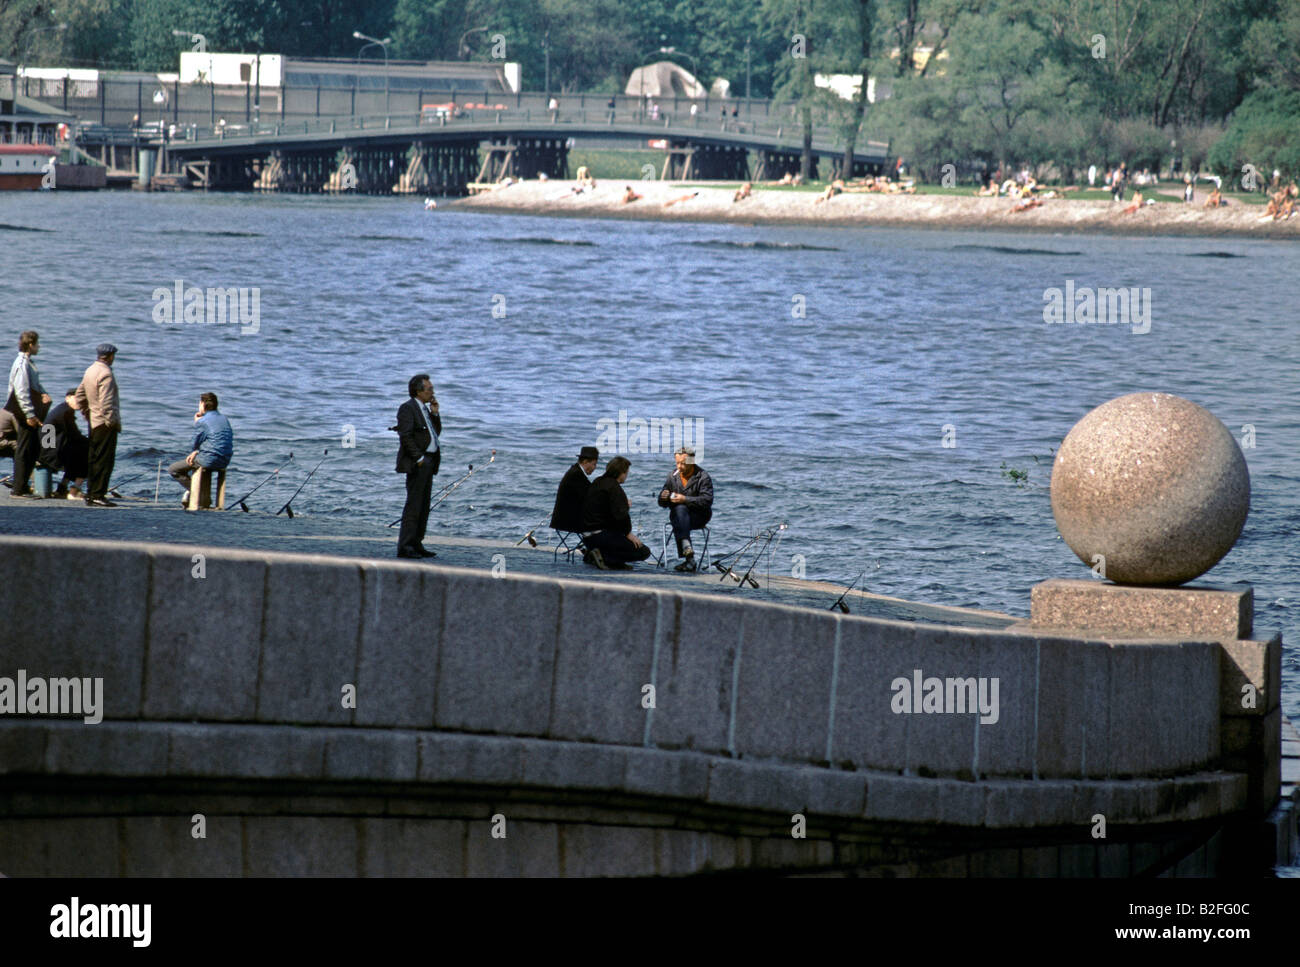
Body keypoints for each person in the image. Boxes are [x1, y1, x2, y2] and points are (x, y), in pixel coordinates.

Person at [394, 373, 441, 559]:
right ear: (418, 391)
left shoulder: (425, 409)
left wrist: (435, 414)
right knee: (414, 505)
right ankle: (405, 546)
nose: (432, 392)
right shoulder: (408, 408)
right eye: (429, 389)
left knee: (424, 505)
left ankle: (417, 542)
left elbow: (435, 433)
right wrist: (419, 458)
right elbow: (405, 436)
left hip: (429, 462)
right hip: (419, 463)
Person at [580, 456, 651, 570]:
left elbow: (604, 510)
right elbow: (621, 517)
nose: (627, 476)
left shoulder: (597, 481)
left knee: (616, 540)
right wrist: (628, 534)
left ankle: (597, 554)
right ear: (621, 473)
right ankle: (608, 558)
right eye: (626, 473)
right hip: (601, 536)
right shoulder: (614, 487)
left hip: (587, 537)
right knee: (644, 552)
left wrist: (623, 504)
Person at [5, 330, 50, 498]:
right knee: (24, 449)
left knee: (30, 448)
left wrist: (43, 393)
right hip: (23, 412)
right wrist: (30, 414)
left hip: (26, 410)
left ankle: (22, 485)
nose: (39, 347)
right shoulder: (21, 364)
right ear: (30, 345)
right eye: (37, 344)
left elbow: (33, 385)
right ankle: (18, 487)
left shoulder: (27, 363)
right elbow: (21, 390)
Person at [75, 343, 122, 507]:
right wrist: (111, 422)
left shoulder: (90, 370)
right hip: (104, 423)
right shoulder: (106, 374)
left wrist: (86, 413)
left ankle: (90, 492)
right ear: (110, 356)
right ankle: (98, 494)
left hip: (93, 421)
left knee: (93, 459)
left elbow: (79, 395)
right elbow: (107, 403)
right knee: (105, 461)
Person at [169, 392, 234, 506]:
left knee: (174, 469)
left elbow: (194, 443)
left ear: (203, 404)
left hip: (209, 459)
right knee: (201, 459)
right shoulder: (224, 418)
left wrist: (197, 422)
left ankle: (197, 493)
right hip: (225, 460)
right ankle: (203, 498)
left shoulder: (203, 421)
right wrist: (197, 451)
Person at [657, 446, 713, 572]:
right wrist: (663, 497)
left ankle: (688, 555)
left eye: (683, 463)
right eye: (677, 463)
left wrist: (685, 499)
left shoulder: (703, 477)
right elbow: (662, 504)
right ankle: (687, 551)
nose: (679, 466)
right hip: (678, 515)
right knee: (679, 510)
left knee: (680, 510)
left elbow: (707, 500)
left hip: (699, 515)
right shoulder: (672, 476)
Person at [39, 388, 89, 499]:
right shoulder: (65, 412)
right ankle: (74, 490)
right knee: (88, 453)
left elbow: (72, 435)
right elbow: (74, 434)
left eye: (82, 400)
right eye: (77, 399)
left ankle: (62, 488)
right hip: (50, 452)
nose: (80, 402)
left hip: (47, 448)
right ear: (68, 398)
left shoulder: (62, 409)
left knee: (78, 450)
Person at [550, 446, 598, 534]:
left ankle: (592, 545)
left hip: (564, 518)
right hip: (567, 521)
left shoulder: (575, 471)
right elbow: (590, 494)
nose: (595, 467)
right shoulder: (576, 474)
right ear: (585, 462)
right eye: (594, 464)